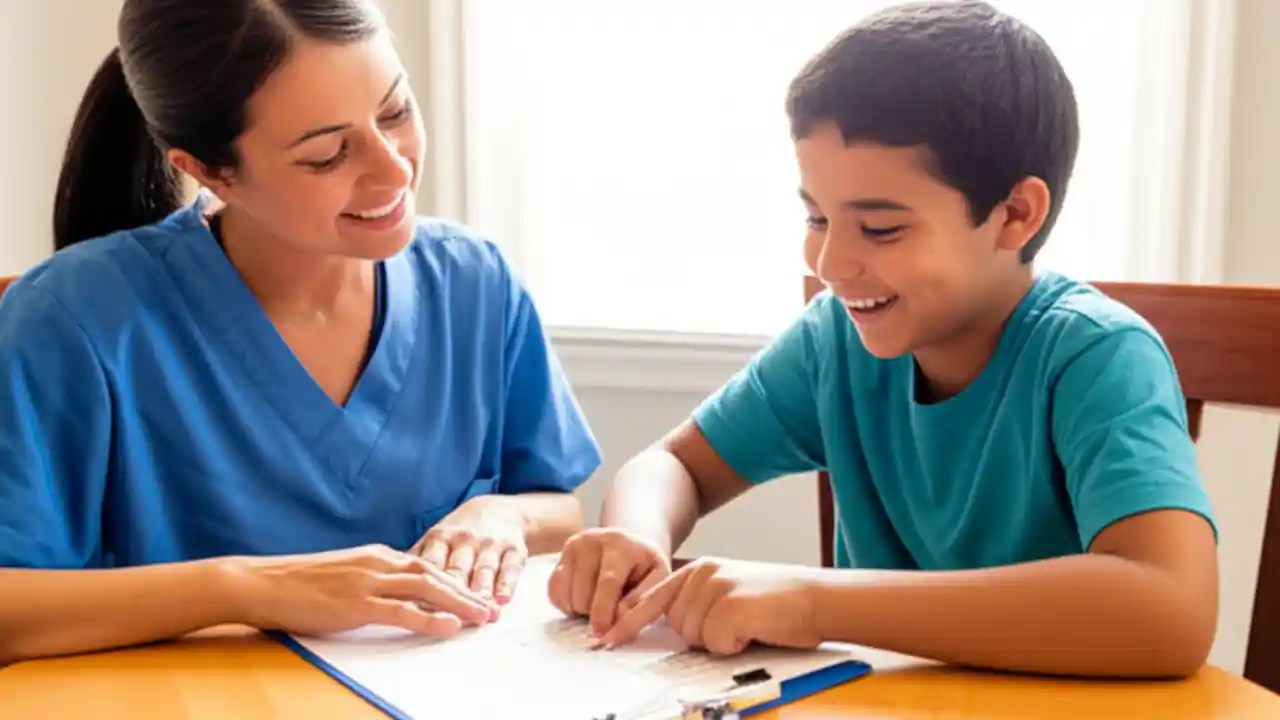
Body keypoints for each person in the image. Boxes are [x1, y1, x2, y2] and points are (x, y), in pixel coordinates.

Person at [550, 0, 1218, 679]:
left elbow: (1170, 611)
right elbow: (678, 466)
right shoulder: (832, 345)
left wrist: (816, 603)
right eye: (816, 217)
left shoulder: (1097, 357)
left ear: (1015, 214)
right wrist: (635, 537)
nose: (829, 264)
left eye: (881, 229)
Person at [0, 0, 601, 664]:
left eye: (396, 112)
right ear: (209, 170)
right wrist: (246, 589)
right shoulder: (71, 320)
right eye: (327, 154)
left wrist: (504, 516)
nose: (393, 169)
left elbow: (556, 504)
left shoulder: (476, 284)